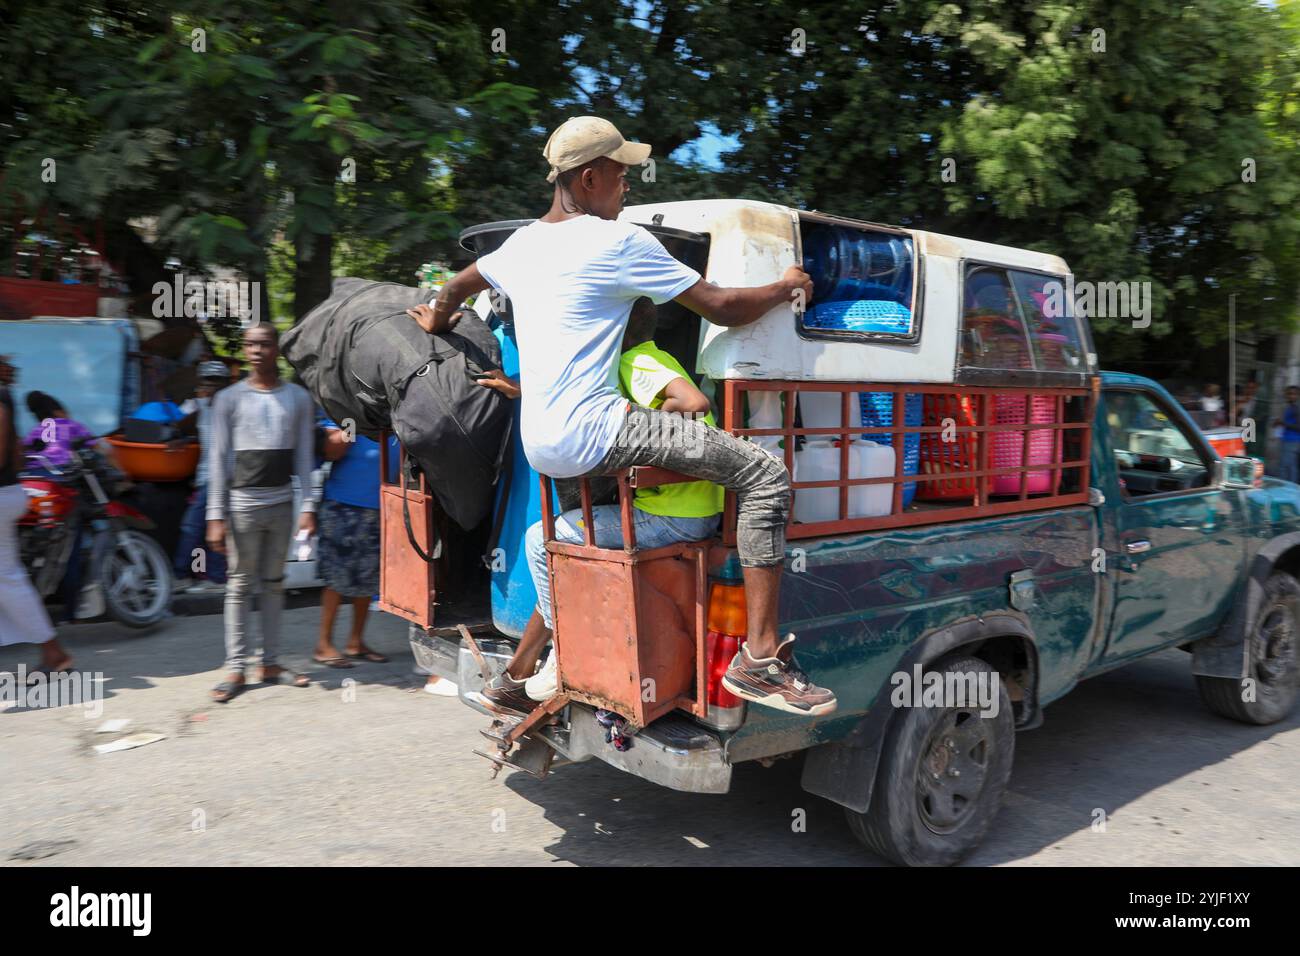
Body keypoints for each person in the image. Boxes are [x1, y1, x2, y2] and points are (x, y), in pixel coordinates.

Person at [410, 115, 837, 717]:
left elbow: (455, 286)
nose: (628, 185)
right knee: (764, 474)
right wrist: (784, 285)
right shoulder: (620, 241)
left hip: (542, 442)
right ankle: (761, 660)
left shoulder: (523, 245)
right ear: (589, 178)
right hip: (600, 429)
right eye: (620, 173)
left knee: (564, 541)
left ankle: (524, 670)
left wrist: (438, 319)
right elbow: (720, 305)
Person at [488, 297, 725, 710]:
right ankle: (537, 661)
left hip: (676, 517)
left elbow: (693, 404)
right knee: (565, 546)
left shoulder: (638, 360)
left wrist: (638, 425)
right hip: (679, 508)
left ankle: (565, 648)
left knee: (541, 540)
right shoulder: (641, 358)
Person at [205, 325, 317, 702]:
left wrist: (309, 506)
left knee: (273, 583)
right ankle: (236, 667)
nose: (256, 350)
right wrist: (215, 516)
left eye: (264, 344)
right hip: (241, 506)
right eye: (251, 344)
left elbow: (303, 456)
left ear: (277, 350)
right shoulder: (228, 399)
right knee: (238, 586)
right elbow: (218, 459)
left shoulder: (298, 398)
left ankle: (269, 663)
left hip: (281, 502)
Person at [0, 355, 72, 671]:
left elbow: (5, 447)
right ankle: (53, 651)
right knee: (8, 578)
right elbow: (16, 450)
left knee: (8, 579)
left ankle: (53, 651)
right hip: (9, 491)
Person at [311, 417, 399, 669]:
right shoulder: (343, 414)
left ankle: (355, 642)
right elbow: (333, 450)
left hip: (378, 508)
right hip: (344, 506)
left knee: (368, 580)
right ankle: (323, 645)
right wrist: (356, 419)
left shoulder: (394, 416)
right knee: (336, 580)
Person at [172, 361, 230, 593]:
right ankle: (213, 578)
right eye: (207, 381)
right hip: (206, 476)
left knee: (193, 526)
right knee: (207, 529)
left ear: (226, 385)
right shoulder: (198, 404)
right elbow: (177, 420)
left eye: (216, 382)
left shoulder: (235, 405)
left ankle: (182, 576)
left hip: (223, 477)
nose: (211, 387)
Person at [21, 392, 96, 468]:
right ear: (57, 411)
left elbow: (24, 450)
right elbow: (96, 447)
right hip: (64, 473)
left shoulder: (35, 431)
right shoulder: (71, 425)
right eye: (65, 411)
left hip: (34, 472)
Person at [1277, 386, 1300, 483]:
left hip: (1292, 440)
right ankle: (1292, 489)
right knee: (1291, 466)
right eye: (1289, 393)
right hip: (1287, 439)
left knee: (1285, 467)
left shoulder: (1296, 408)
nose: (1291, 396)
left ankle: (1286, 488)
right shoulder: (1290, 407)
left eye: (1293, 394)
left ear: (1298, 395)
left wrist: (1283, 423)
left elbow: (1298, 427)